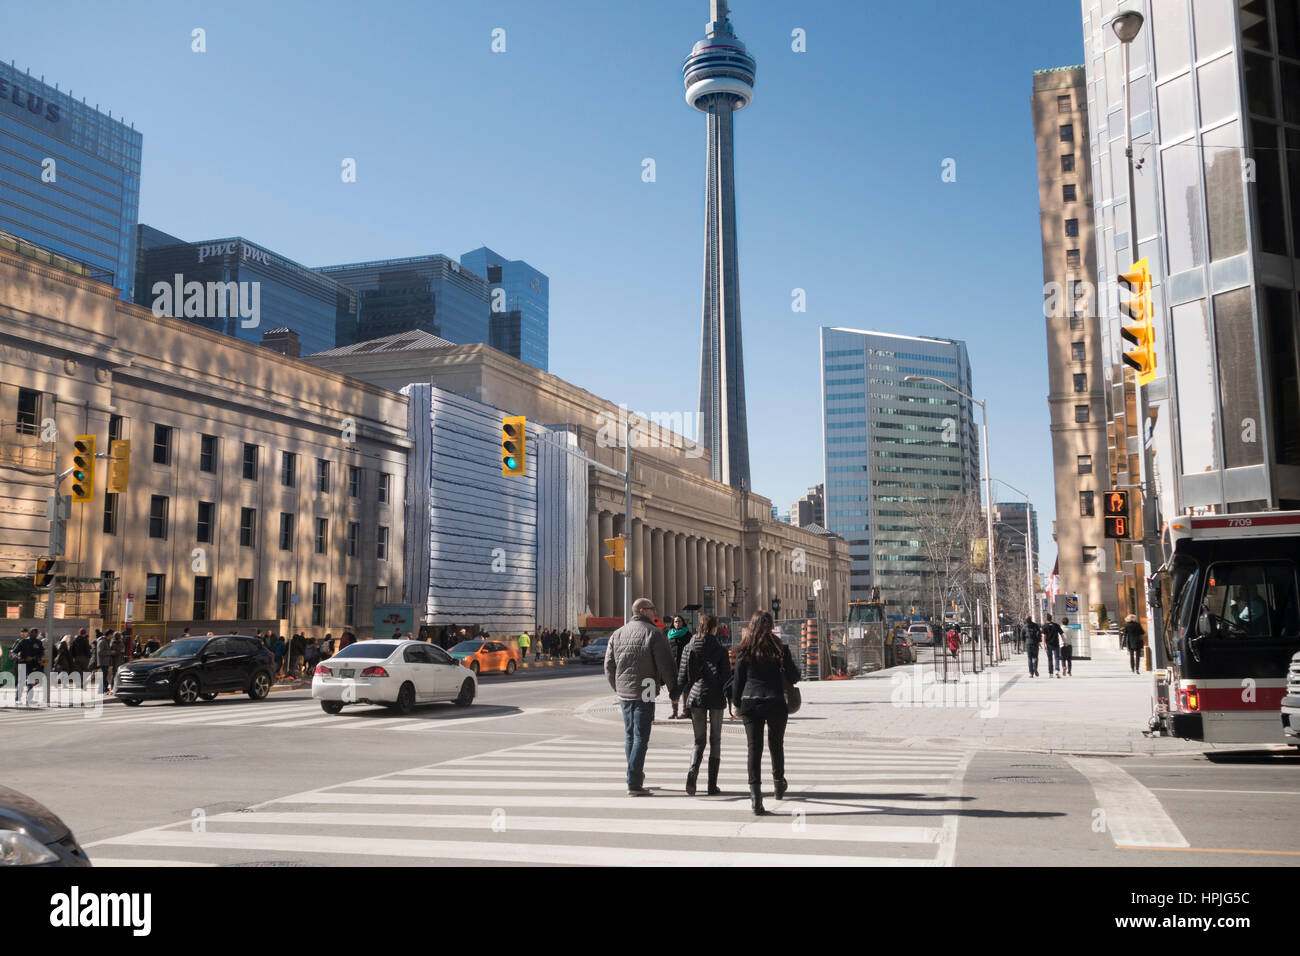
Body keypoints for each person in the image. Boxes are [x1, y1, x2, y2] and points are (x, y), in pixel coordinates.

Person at [605, 597, 676, 796]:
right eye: (652, 609)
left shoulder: (617, 633)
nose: (655, 612)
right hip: (646, 687)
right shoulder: (653, 633)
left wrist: (617, 686)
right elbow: (666, 665)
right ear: (643, 611)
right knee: (641, 736)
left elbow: (608, 665)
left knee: (630, 734)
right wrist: (674, 691)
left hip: (625, 691)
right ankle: (634, 780)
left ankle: (634, 774)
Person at [730, 611, 799, 816]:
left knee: (754, 749)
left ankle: (756, 797)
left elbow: (738, 681)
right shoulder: (780, 648)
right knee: (776, 745)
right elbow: (795, 676)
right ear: (771, 626)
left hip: (751, 702)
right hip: (775, 701)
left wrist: (736, 704)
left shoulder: (744, 650)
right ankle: (778, 784)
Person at [677, 614, 731, 796]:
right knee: (715, 739)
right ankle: (711, 785)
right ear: (715, 628)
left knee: (699, 740)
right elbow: (726, 679)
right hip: (716, 698)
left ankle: (693, 770)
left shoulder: (688, 647)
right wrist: (732, 701)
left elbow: (682, 675)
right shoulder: (721, 650)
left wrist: (675, 695)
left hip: (695, 697)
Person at [666, 616, 693, 719]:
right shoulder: (669, 635)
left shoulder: (688, 634)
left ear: (683, 623)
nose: (678, 623)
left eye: (679, 621)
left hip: (685, 665)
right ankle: (674, 712)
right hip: (672, 666)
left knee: (686, 689)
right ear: (673, 623)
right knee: (673, 689)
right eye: (676, 621)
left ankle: (686, 711)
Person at [12, 629, 44, 705]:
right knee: (21, 682)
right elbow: (14, 652)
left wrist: (33, 658)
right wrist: (18, 658)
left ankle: (29, 699)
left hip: (33, 664)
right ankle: (18, 699)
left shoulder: (38, 642)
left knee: (31, 682)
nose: (34, 634)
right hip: (23, 663)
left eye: (35, 633)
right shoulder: (23, 641)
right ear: (29, 633)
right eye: (32, 632)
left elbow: (42, 654)